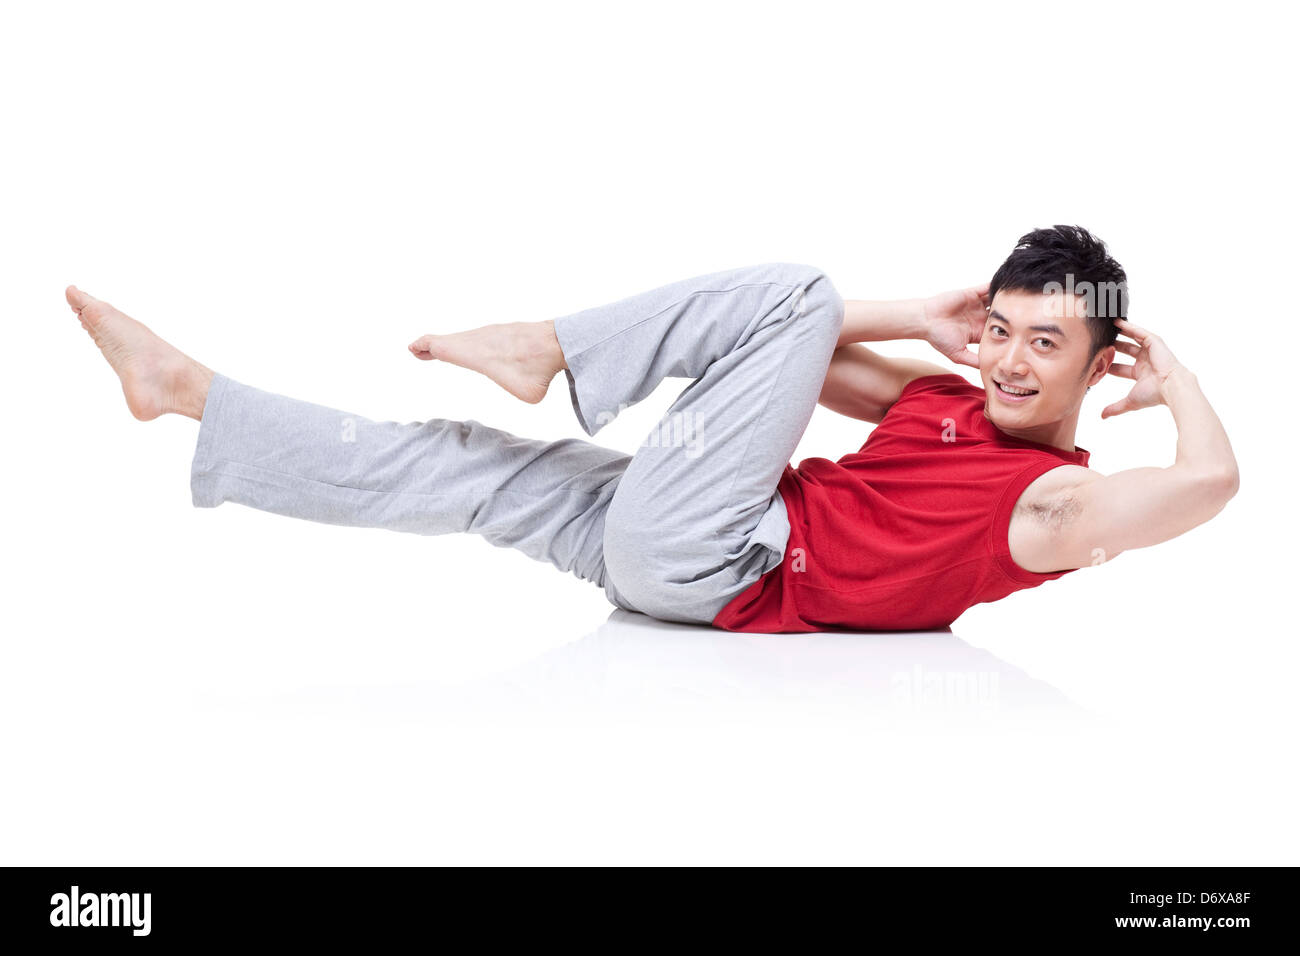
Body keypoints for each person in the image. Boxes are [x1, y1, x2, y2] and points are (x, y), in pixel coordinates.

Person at [66, 225, 1239, 633]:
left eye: (1047, 343)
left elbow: (1209, 484)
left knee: (795, 282)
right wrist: (923, 320)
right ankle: (194, 396)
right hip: (682, 543)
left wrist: (1177, 377)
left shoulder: (1053, 504)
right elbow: (793, 360)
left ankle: (551, 348)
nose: (1012, 360)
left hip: (721, 555)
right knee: (462, 463)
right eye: (1001, 328)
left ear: (1100, 364)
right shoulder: (947, 396)